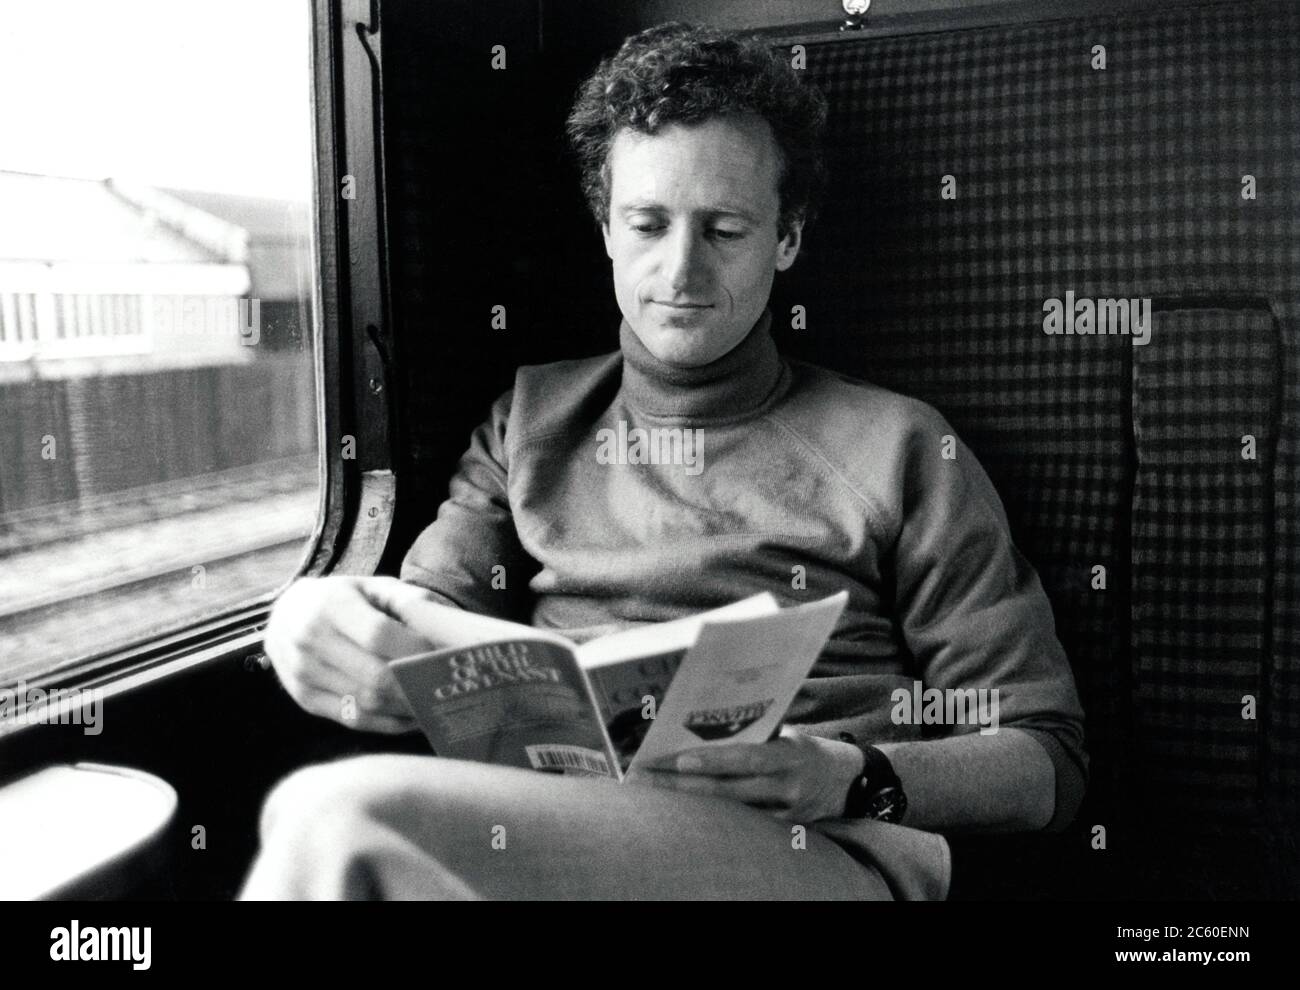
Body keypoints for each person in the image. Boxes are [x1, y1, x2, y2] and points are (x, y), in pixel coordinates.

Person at [239, 22, 1087, 901]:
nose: (680, 269)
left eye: (724, 229)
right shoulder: (529, 421)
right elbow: (423, 623)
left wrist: (848, 771)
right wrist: (314, 613)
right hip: (561, 829)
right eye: (647, 224)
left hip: (815, 848)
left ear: (787, 239)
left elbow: (1046, 763)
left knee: (336, 821)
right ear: (605, 228)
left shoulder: (902, 445)